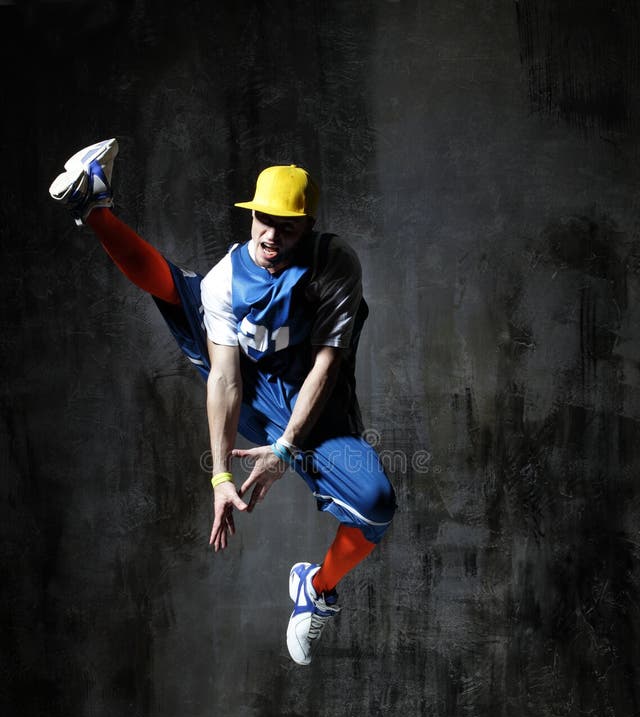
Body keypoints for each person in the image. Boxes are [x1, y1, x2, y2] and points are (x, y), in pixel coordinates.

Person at [49, 138, 396, 665]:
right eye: (262, 220)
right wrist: (219, 478)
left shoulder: (334, 263)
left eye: (287, 227)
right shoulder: (226, 281)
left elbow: (327, 364)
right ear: (250, 214)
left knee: (376, 504)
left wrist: (284, 450)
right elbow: (226, 382)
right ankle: (94, 205)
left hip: (312, 406)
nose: (271, 236)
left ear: (308, 228)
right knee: (183, 291)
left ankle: (317, 587)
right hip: (252, 389)